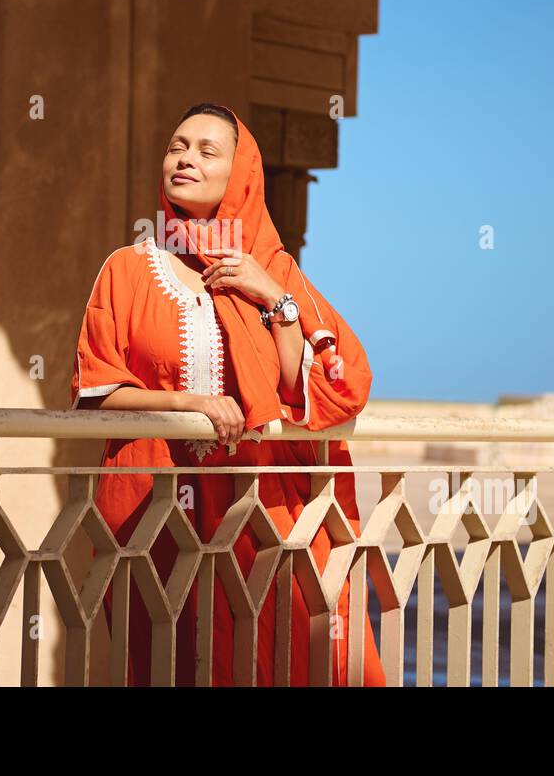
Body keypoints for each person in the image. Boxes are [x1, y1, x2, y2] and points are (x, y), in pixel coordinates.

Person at [70, 102, 386, 686]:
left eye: (206, 150)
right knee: (168, 662)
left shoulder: (271, 270)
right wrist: (185, 404)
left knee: (262, 661)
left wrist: (276, 303)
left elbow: (327, 387)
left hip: (255, 514)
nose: (185, 158)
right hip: (153, 509)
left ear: (239, 175)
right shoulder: (126, 269)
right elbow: (96, 391)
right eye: (177, 146)